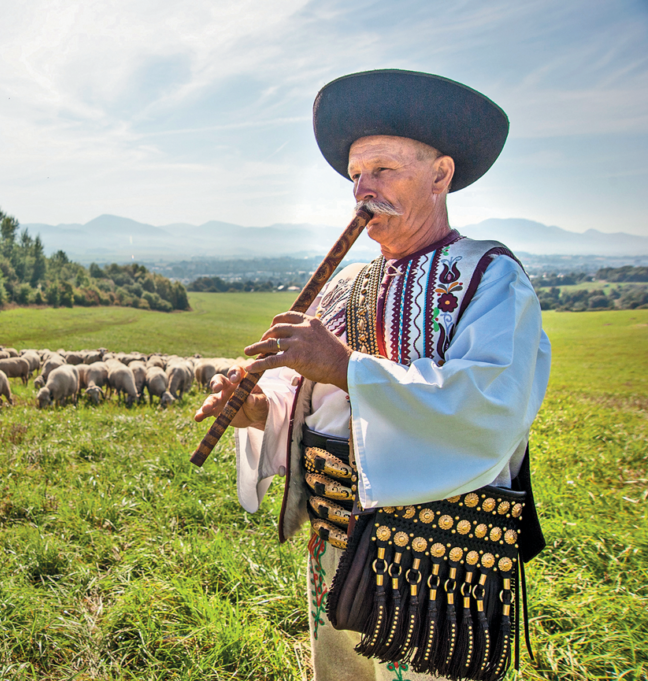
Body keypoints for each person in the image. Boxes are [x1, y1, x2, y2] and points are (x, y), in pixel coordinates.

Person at [195, 70, 551, 681]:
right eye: (356, 175)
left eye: (383, 169)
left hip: (437, 558)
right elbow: (305, 394)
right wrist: (262, 406)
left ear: (441, 174)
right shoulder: (345, 284)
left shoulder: (490, 276)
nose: (364, 188)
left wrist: (342, 365)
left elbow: (491, 403)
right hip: (336, 543)